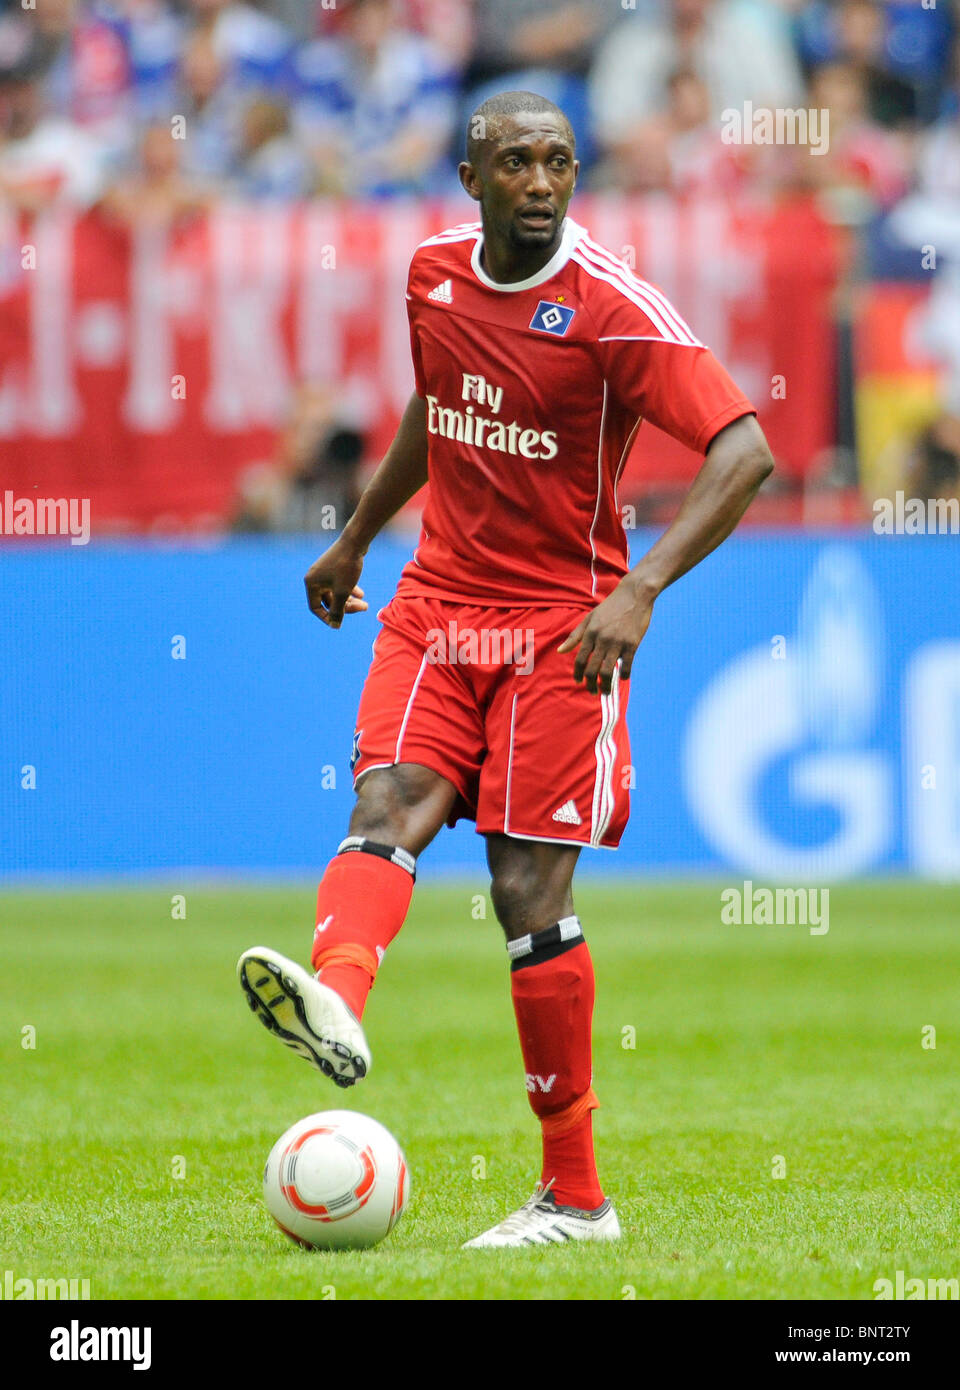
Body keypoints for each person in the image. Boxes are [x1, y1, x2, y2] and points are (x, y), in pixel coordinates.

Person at [237, 90, 774, 1248]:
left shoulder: (614, 310)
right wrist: (357, 533)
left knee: (526, 892)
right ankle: (340, 1003)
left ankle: (577, 1197)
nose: (541, 182)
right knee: (387, 803)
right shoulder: (432, 273)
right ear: (472, 179)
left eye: (560, 163)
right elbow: (443, 403)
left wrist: (638, 592)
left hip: (560, 624)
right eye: (518, 163)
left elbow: (746, 448)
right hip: (438, 601)